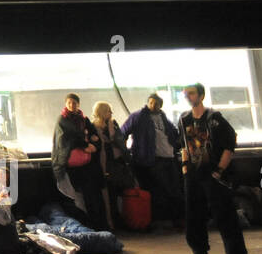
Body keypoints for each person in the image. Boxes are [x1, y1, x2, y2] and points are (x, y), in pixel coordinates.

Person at [179, 83, 252, 254]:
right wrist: (186, 167)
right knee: (193, 215)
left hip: (213, 175)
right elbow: (183, 145)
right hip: (194, 175)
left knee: (225, 217)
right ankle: (198, 252)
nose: (188, 96)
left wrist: (219, 170)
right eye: (186, 93)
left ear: (201, 96)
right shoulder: (184, 119)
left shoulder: (214, 119)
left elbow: (230, 144)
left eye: (192, 93)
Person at [121, 93, 183, 225]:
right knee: (160, 190)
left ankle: (175, 219)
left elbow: (173, 133)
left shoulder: (164, 118)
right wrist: (126, 153)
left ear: (161, 105)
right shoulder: (137, 117)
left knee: (173, 189)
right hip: (152, 159)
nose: (153, 105)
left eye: (156, 103)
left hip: (169, 157)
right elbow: (123, 133)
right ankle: (162, 220)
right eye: (151, 102)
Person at [51, 93, 106, 230]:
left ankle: (96, 225)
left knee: (90, 196)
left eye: (74, 102)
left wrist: (94, 144)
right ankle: (85, 225)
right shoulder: (62, 120)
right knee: (75, 198)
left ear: (78, 104)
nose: (71, 105)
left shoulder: (83, 119)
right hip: (70, 165)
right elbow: (69, 137)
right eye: (69, 102)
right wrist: (86, 145)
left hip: (85, 164)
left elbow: (94, 136)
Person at [92, 100, 134, 230]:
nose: (111, 113)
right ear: (102, 112)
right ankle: (111, 223)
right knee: (108, 195)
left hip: (117, 162)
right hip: (104, 163)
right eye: (108, 111)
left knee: (118, 193)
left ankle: (120, 221)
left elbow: (121, 141)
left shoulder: (113, 124)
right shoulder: (93, 127)